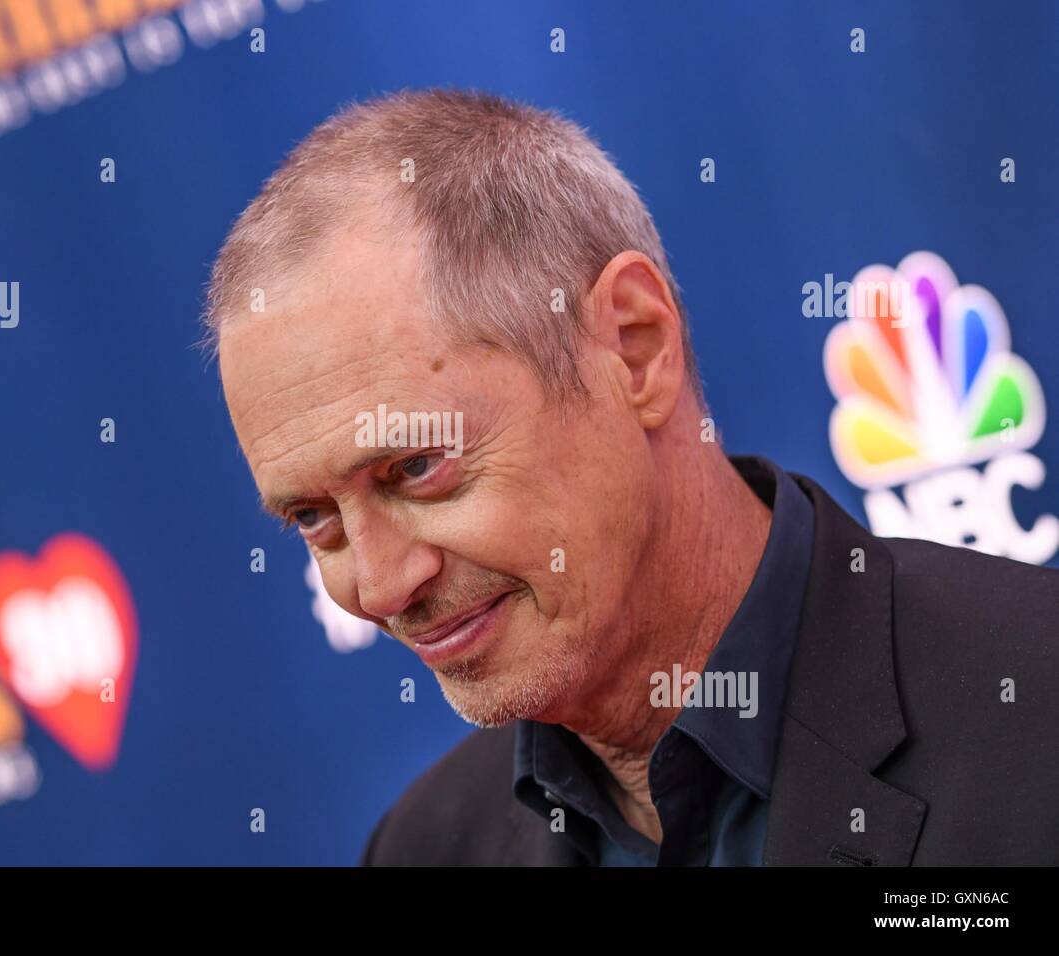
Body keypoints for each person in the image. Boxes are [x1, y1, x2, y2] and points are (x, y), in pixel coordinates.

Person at [202, 87, 1059, 866]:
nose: (381, 586)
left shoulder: (1034, 711)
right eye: (314, 518)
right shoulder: (423, 849)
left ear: (634, 348)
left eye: (417, 467)